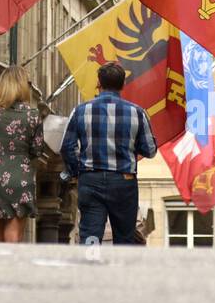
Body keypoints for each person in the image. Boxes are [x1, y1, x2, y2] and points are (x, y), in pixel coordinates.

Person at [61, 61, 157, 246]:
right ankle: (119, 272)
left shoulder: (81, 111)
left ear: (99, 82)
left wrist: (75, 172)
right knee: (124, 237)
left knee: (90, 234)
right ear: (123, 84)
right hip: (124, 182)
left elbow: (67, 146)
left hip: (91, 179)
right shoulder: (137, 113)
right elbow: (150, 150)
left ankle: (90, 268)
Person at [0, 65, 44, 243]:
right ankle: (11, 270)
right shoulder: (33, 115)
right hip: (20, 178)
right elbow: (37, 150)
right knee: (13, 237)